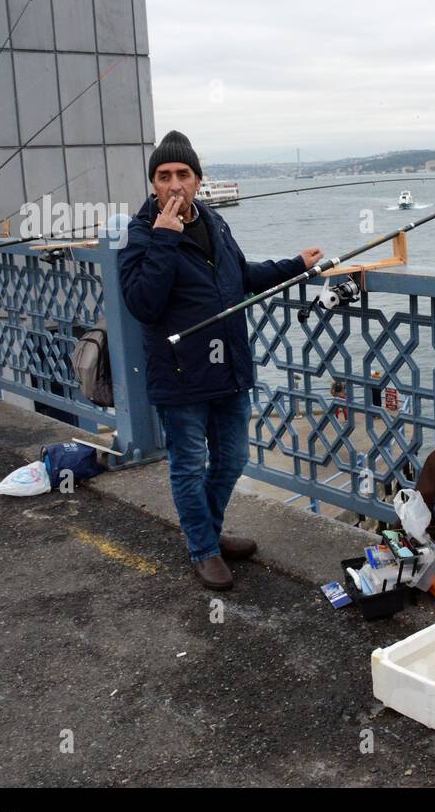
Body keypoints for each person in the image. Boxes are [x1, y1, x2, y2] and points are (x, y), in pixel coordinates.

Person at [119, 131, 323, 590]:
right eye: (164, 176)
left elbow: (241, 276)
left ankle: (207, 531)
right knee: (189, 464)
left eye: (183, 175)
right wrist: (165, 240)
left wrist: (294, 265)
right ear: (153, 184)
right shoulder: (140, 234)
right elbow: (142, 304)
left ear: (198, 180)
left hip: (228, 365)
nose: (175, 184)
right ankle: (203, 549)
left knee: (231, 460)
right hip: (179, 374)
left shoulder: (215, 222)